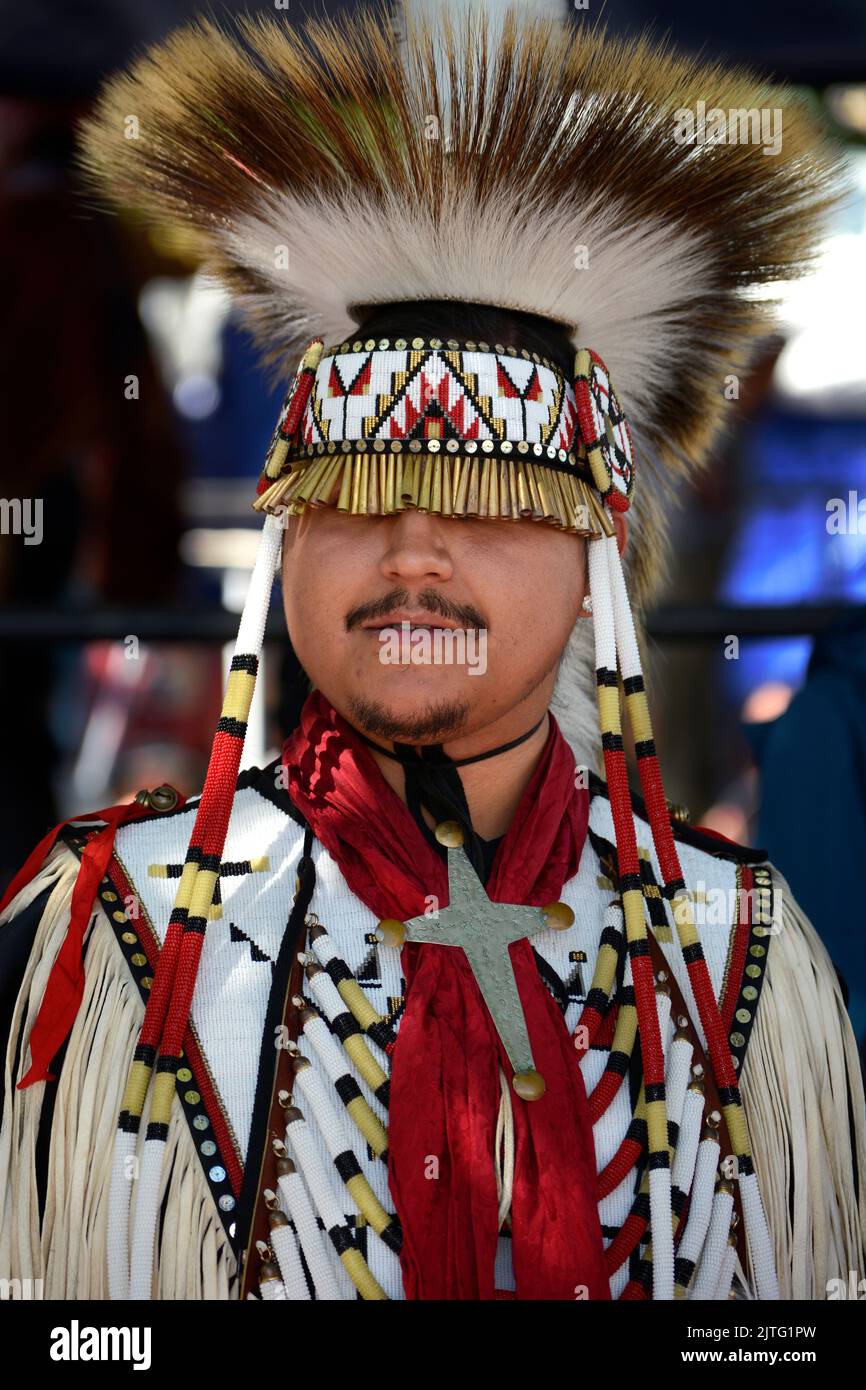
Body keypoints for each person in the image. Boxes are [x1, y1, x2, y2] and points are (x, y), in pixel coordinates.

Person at [1, 1, 863, 1302]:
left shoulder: (737, 950)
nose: (410, 553)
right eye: (351, 500)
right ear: (284, 545)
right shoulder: (118, 922)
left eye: (488, 501)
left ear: (591, 565)